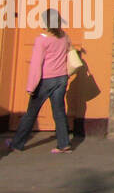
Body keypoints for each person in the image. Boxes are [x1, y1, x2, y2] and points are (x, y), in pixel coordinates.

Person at [5, 10, 76, 153]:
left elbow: (36, 65)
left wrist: (31, 86)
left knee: (31, 113)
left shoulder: (41, 40)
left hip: (45, 81)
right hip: (61, 78)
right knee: (59, 112)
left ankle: (16, 144)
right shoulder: (64, 37)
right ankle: (64, 144)